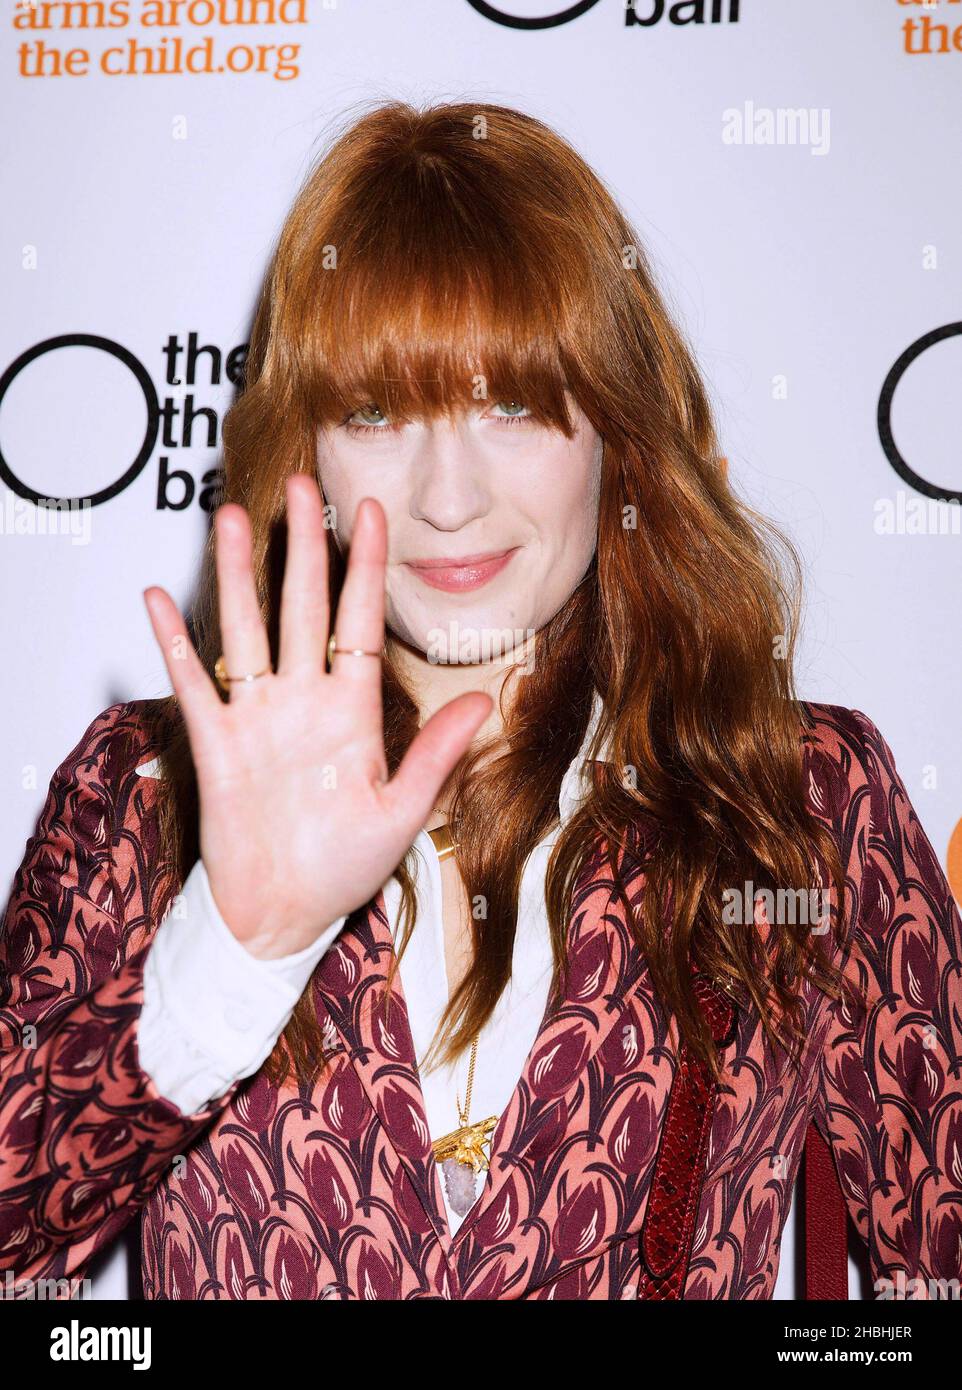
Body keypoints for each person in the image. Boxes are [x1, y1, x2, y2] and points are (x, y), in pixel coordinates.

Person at [1, 100, 960, 1302]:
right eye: (375, 413)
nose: (446, 498)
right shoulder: (144, 794)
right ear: (306, 454)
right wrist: (232, 955)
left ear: (615, 428)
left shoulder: (799, 795)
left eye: (510, 404)